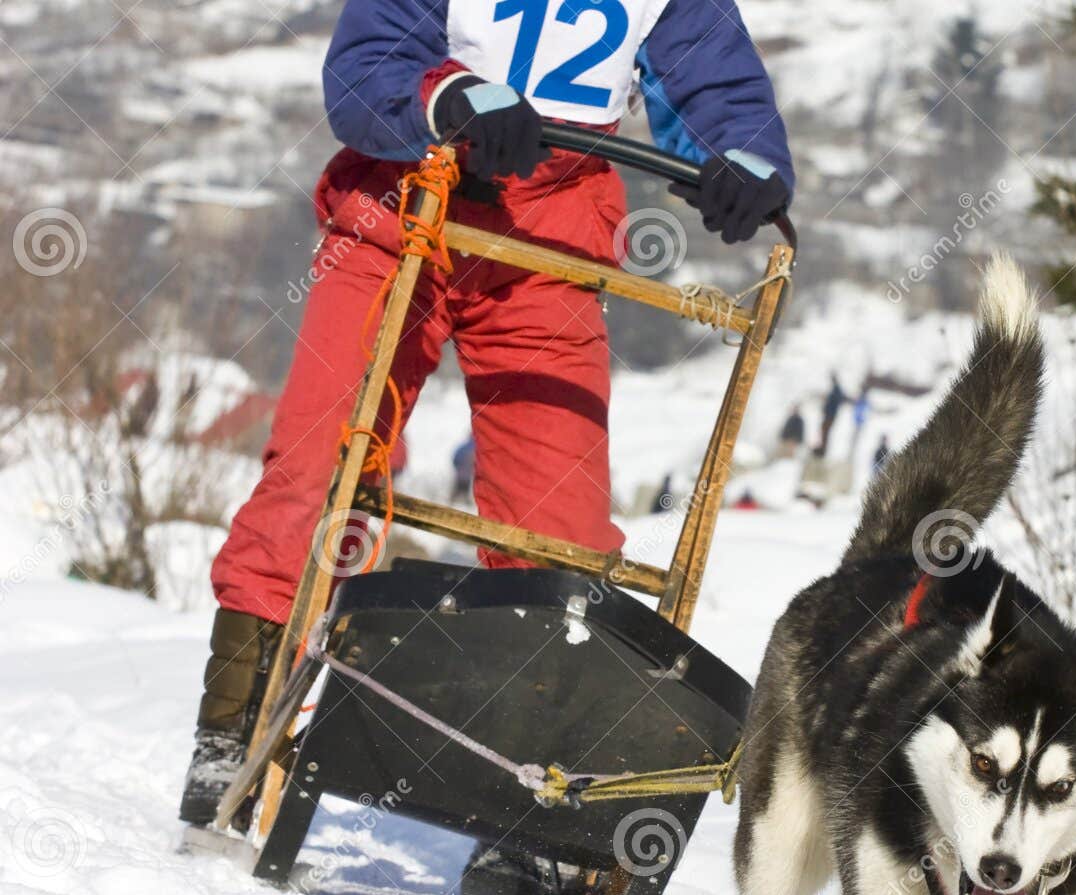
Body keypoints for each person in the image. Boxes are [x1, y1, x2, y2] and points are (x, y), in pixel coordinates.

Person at [180, 0, 794, 827]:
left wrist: (747, 158)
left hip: (552, 240)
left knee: (562, 532)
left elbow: (712, 84)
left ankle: (529, 804)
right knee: (315, 470)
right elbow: (363, 72)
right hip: (402, 209)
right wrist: (451, 94)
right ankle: (233, 740)